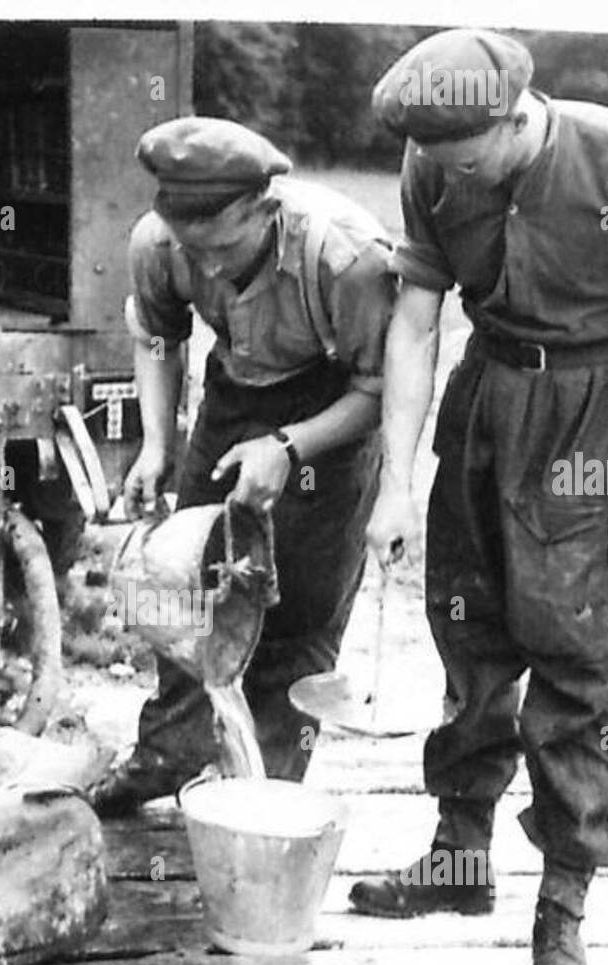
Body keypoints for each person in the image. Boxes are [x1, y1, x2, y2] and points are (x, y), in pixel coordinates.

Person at [356, 29, 608, 965]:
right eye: (437, 161)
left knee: (582, 664)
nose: (448, 176)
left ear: (516, 118)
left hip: (594, 420)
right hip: (485, 408)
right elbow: (417, 313)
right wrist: (394, 480)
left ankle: (562, 903)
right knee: (469, 641)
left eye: (465, 160)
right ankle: (457, 861)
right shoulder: (431, 159)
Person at [87, 117, 397, 814]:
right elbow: (158, 338)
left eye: (226, 246)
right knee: (189, 589)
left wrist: (289, 449)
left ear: (267, 208)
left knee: (302, 609)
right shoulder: (159, 243)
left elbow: (384, 391)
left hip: (330, 414)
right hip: (232, 399)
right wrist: (159, 444)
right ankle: (167, 753)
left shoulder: (348, 259)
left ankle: (264, 793)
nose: (212, 266)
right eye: (196, 250)